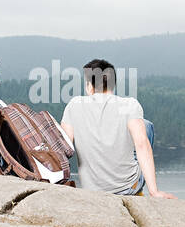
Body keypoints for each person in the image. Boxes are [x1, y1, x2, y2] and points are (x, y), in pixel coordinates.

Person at [61, 59, 174, 198]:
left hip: (91, 189)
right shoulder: (130, 105)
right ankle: (143, 188)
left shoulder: (74, 105)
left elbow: (64, 148)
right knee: (146, 126)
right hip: (128, 188)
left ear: (89, 86)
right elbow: (142, 145)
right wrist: (154, 192)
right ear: (112, 85)